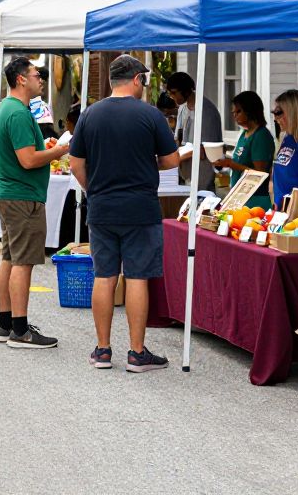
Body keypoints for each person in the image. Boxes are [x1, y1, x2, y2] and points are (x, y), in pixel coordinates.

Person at [68, 55, 180, 372]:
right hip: (140, 208)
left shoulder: (89, 115)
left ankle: (103, 350)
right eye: (142, 80)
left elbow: (76, 164)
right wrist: (146, 163)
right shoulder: (150, 115)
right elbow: (171, 160)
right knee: (137, 278)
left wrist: (96, 187)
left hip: (102, 208)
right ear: (135, 80)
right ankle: (136, 352)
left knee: (104, 276)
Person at [0, 57, 69, 349]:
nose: (41, 79)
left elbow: (24, 154)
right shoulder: (19, 113)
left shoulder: (9, 108)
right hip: (22, 195)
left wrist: (46, 149)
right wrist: (61, 149)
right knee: (23, 262)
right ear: (21, 79)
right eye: (36, 75)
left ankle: (6, 322)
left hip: (11, 192)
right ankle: (20, 331)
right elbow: (27, 160)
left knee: (11, 258)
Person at [213, 91, 275, 211]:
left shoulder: (261, 135)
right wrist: (225, 162)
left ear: (250, 110)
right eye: (233, 112)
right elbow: (240, 163)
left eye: (238, 111)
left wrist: (232, 164)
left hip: (254, 199)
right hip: (239, 197)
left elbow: (260, 173)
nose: (234, 115)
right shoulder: (244, 133)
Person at [166, 71, 222, 192]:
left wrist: (176, 157)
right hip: (185, 175)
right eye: (170, 94)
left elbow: (206, 150)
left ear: (186, 90)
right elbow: (178, 140)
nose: (172, 97)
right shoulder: (182, 108)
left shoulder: (206, 111)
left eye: (174, 93)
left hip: (203, 175)